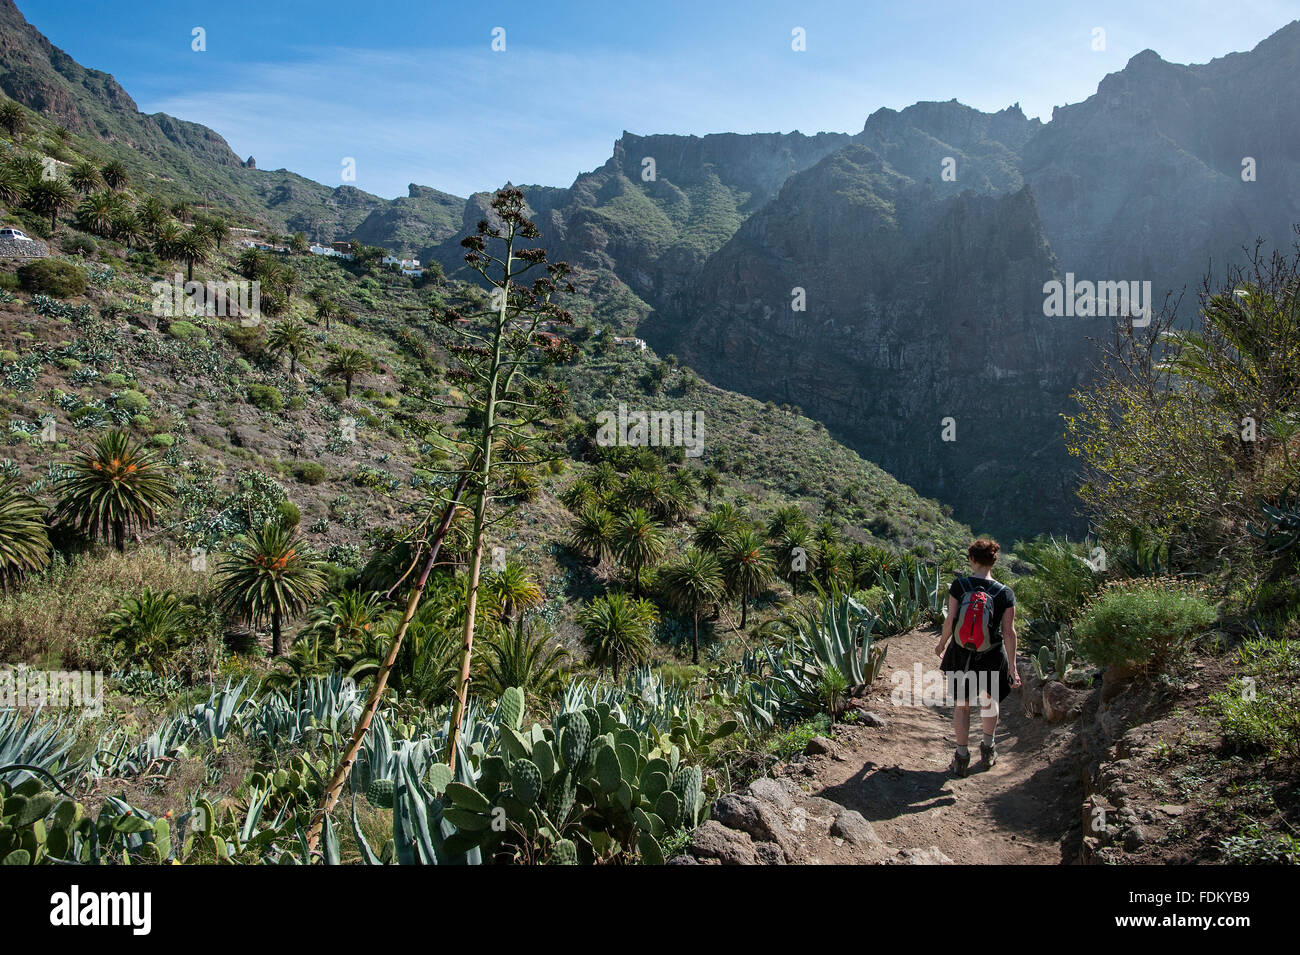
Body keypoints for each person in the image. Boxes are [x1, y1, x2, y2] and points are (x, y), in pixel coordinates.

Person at [933, 538, 1019, 777]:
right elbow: (1009, 632)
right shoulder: (1005, 593)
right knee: (990, 702)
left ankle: (961, 756)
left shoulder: (959, 586)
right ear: (993, 561)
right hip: (992, 654)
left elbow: (950, 621)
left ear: (972, 559)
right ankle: (988, 748)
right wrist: (1012, 667)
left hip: (961, 654)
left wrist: (941, 644)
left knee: (962, 706)